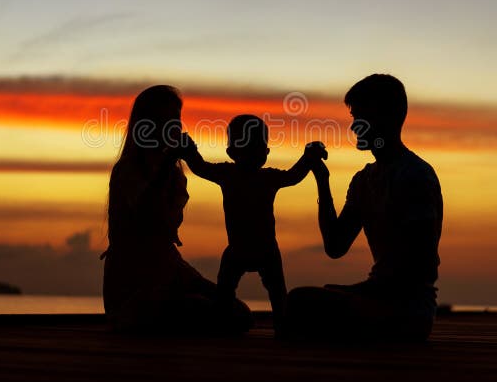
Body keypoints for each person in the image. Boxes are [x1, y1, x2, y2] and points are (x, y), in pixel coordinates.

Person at [285, 74, 443, 342]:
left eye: (361, 117)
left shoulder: (415, 176)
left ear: (389, 116)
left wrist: (362, 290)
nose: (355, 127)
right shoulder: (364, 180)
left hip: (408, 310)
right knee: (299, 303)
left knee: (301, 303)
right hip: (374, 299)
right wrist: (322, 181)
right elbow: (335, 245)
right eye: (353, 118)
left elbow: (417, 266)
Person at [102, 85, 252, 334]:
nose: (175, 127)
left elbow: (167, 226)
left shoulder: (174, 174)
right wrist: (169, 162)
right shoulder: (128, 170)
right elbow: (147, 214)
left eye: (177, 120)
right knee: (205, 310)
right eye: (168, 119)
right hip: (133, 286)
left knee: (238, 313)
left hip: (169, 269)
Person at [181, 115, 327, 333]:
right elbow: (200, 167)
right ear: (232, 152)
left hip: (264, 248)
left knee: (276, 294)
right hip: (242, 248)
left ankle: (280, 325)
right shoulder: (231, 174)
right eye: (247, 146)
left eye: (258, 146)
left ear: (267, 152)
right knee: (229, 291)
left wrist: (308, 157)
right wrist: (189, 150)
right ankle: (228, 323)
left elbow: (294, 176)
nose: (254, 151)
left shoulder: (259, 177)